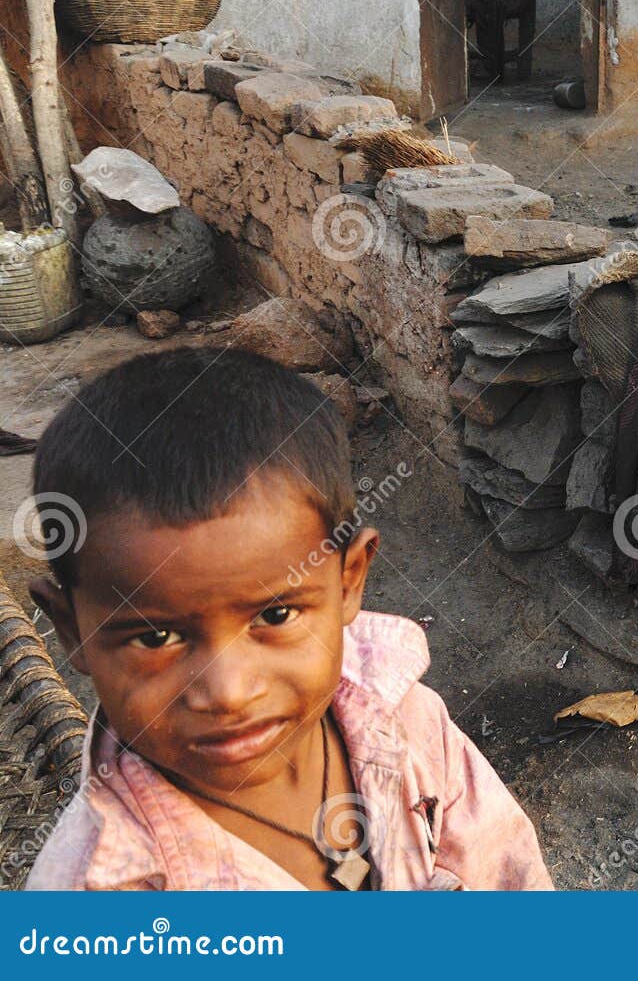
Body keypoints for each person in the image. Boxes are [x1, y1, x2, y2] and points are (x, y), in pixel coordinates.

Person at [24, 348, 554, 891]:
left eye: (275, 615)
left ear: (348, 581)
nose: (228, 692)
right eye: (155, 636)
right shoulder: (95, 891)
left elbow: (507, 873)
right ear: (71, 631)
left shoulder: (408, 723)